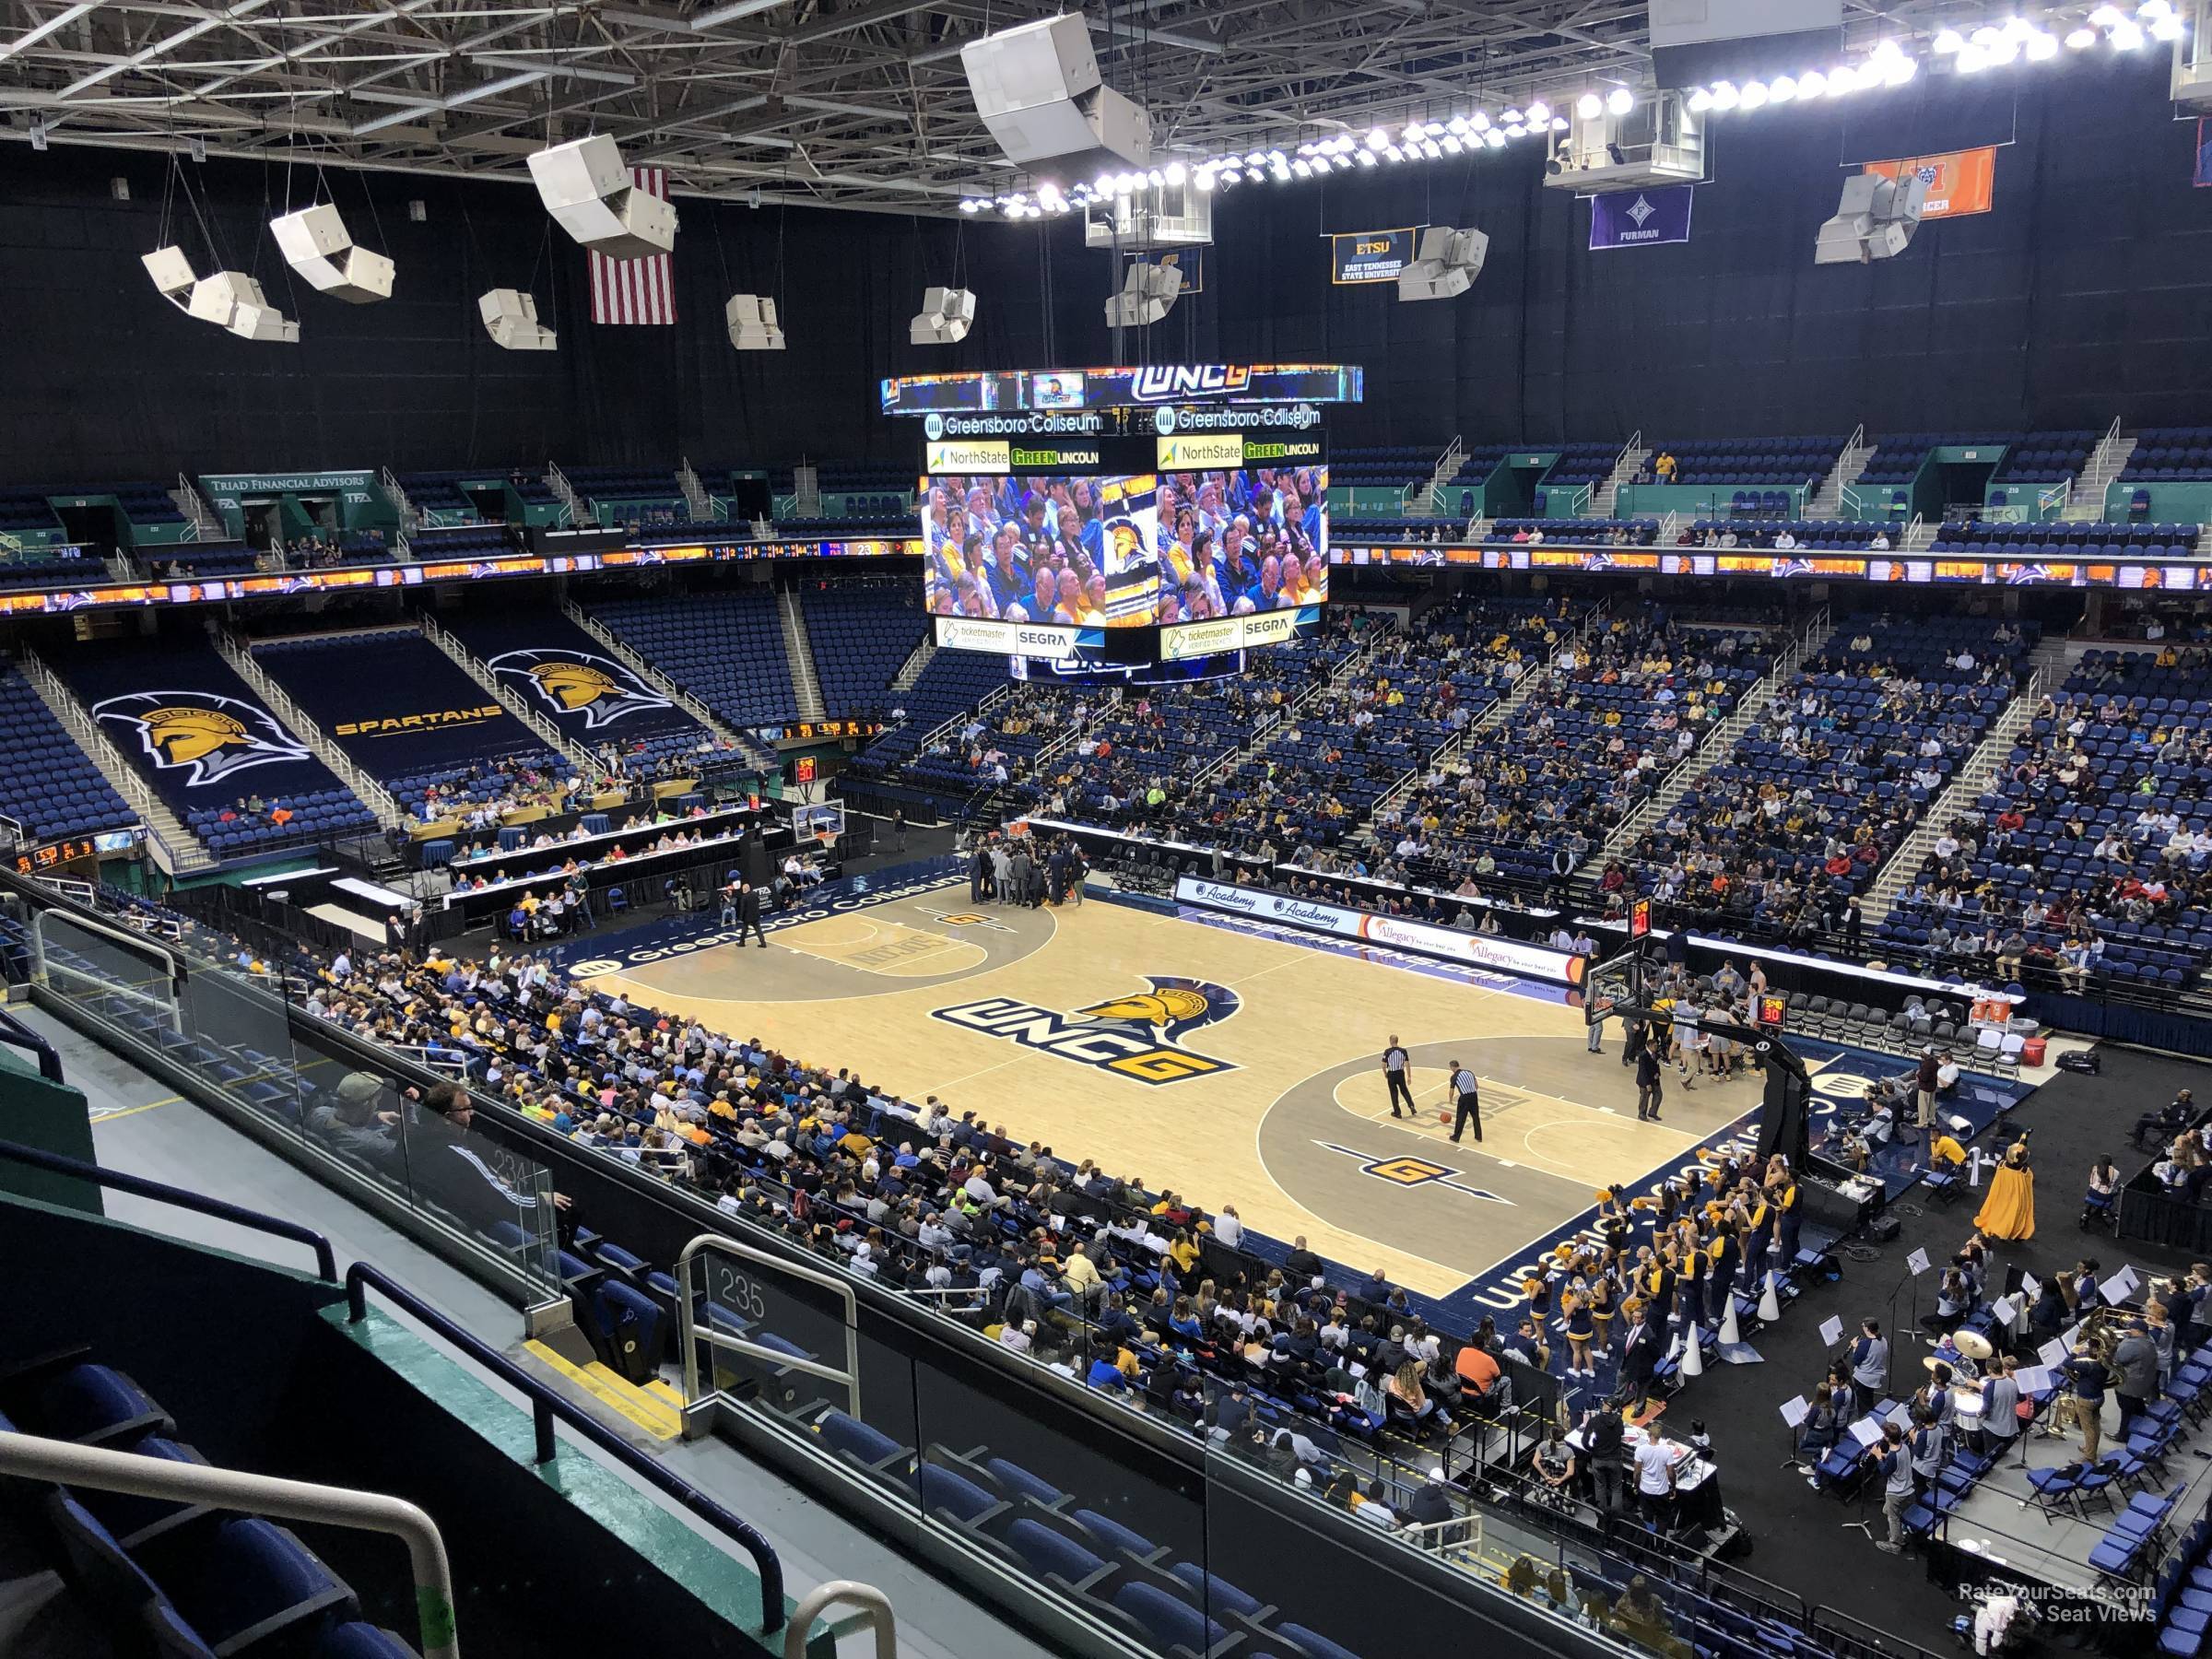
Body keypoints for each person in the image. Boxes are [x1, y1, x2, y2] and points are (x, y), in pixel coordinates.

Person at [1974, 1135, 2036, 1241]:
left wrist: (2023, 1138)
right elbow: (2020, 1161)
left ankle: (1998, 1225)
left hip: (2001, 1194)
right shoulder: (2025, 1172)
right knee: (2014, 1214)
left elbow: (2016, 1155)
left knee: (1999, 1210)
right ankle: (2011, 1231)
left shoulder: (2001, 1165)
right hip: (2016, 1197)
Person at [2065, 1339, 2111, 1460]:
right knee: (2095, 1425)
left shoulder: (2088, 1366)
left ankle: (2090, 1456)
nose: (2088, 1349)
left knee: (2088, 1429)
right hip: (2099, 1397)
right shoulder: (2106, 1362)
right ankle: (2091, 1448)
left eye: (2090, 1347)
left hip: (2086, 1400)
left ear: (2096, 1349)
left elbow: (2067, 1362)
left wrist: (2074, 1352)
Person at [1874, 1420, 1913, 1553]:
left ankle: (1896, 1543)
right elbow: (1894, 1460)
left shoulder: (1893, 1457)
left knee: (1893, 1517)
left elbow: (1885, 1471)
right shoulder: (1904, 1447)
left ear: (1888, 1438)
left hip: (1896, 1492)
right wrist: (1884, 1455)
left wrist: (1879, 1457)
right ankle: (1897, 1533)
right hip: (1907, 1487)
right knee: (1887, 1511)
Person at [1585, 1402, 1627, 1517]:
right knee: (1616, 1488)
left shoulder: (1594, 1421)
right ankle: (1615, 1517)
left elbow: (1585, 1440)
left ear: (1603, 1405)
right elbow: (1622, 1433)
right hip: (1614, 1459)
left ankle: (1601, 1515)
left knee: (1599, 1486)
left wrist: (1592, 1449)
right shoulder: (1618, 1421)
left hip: (1598, 1459)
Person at [1632, 1430, 1676, 1533]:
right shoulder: (1667, 1451)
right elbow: (1671, 1473)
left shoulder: (1640, 1450)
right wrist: (1673, 1487)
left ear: (1649, 1434)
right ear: (1660, 1436)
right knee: (1662, 1519)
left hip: (1645, 1491)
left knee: (1647, 1518)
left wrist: (1636, 1486)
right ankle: (1660, 1545)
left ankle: (1648, 1542)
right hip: (1661, 1492)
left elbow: (1637, 1473)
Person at [1850, 1319, 1889, 1416]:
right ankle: (1871, 1411)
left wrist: (1855, 1347)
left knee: (1863, 1404)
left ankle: (1866, 1419)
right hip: (1876, 1375)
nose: (1862, 1327)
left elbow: (1855, 1361)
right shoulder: (1883, 1339)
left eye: (1863, 1326)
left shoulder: (1864, 1344)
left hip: (1864, 1378)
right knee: (1868, 1397)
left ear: (1867, 1329)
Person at [1382, 1036, 1415, 1120]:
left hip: (1392, 1074)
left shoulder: (1387, 1051)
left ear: (1390, 1041)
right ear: (1397, 1041)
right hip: (1400, 1073)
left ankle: (1397, 1113)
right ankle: (1411, 1105)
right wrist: (1409, 1076)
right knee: (1404, 1090)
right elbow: (1407, 1064)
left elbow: (1383, 1065)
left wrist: (1385, 1073)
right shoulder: (1403, 1051)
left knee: (1394, 1093)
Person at [1448, 1059, 1481, 1144]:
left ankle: (1456, 1137)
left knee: (1461, 1118)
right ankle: (1478, 1136)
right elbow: (1477, 1086)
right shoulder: (1469, 1072)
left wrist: (1450, 1099)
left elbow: (1451, 1090)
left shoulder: (1454, 1077)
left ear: (1452, 1067)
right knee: (1475, 1117)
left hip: (1465, 1098)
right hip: (1474, 1095)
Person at [1635, 1040, 1665, 1123]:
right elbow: (1642, 1071)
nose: (1656, 1047)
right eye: (1655, 1046)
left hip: (1655, 1080)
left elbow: (1657, 1066)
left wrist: (1658, 1073)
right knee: (1644, 1098)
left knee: (1659, 1095)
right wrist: (1647, 1084)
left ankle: (1652, 1112)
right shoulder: (1643, 1056)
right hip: (1645, 1081)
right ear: (1650, 1046)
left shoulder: (1656, 1055)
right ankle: (1642, 1114)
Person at [736, 880, 768, 948]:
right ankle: (763, 943)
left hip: (747, 918)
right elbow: (758, 901)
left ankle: (742, 942)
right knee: (758, 930)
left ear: (744, 889)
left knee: (744, 930)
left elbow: (743, 909)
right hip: (756, 915)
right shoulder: (755, 894)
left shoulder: (744, 897)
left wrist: (741, 918)